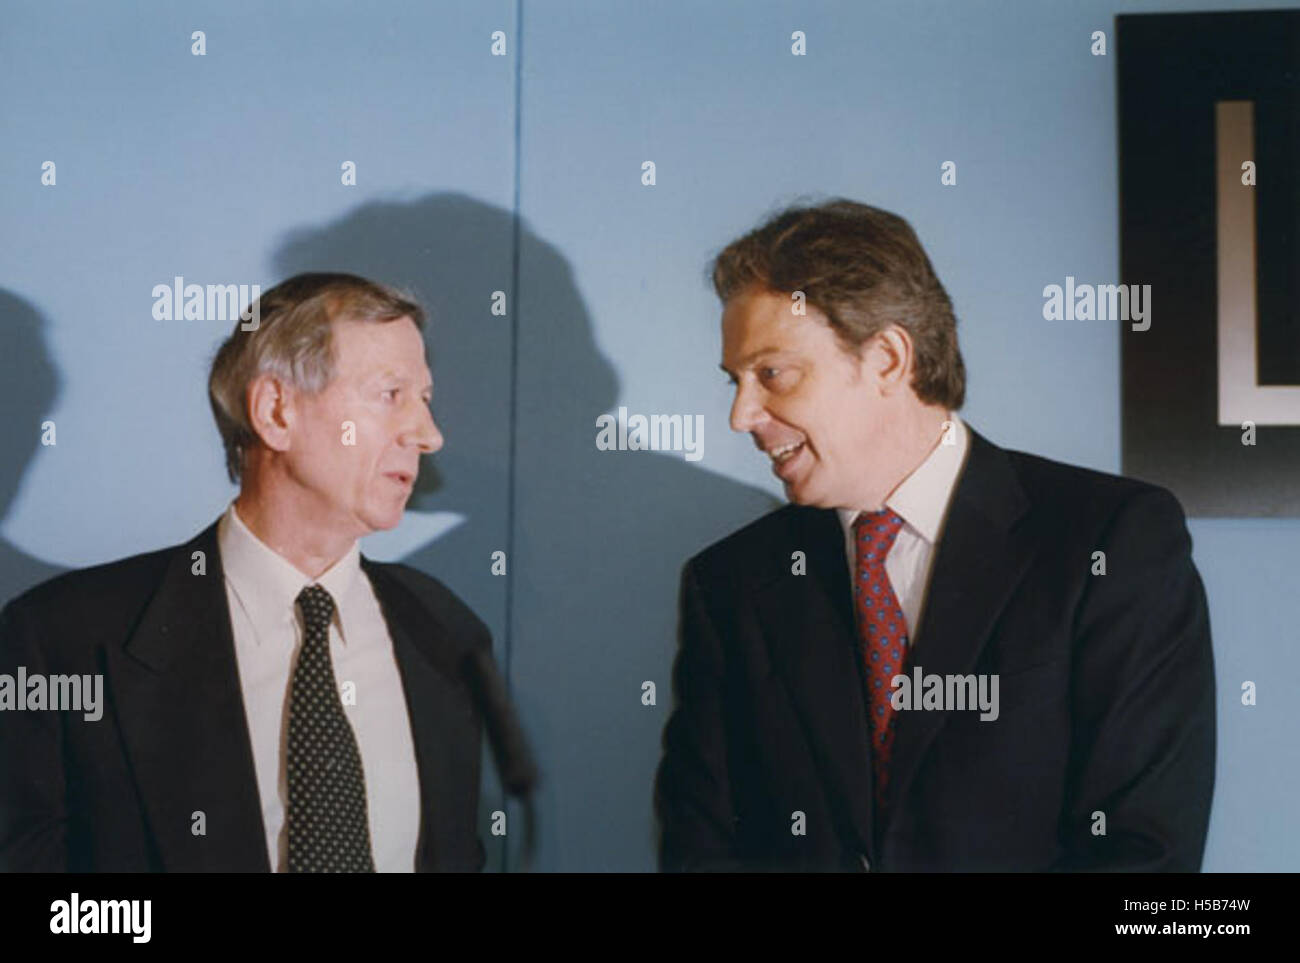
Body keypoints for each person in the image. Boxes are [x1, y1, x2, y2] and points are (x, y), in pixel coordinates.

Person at [654, 200, 1216, 872]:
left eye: (772, 373)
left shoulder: (1112, 542)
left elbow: (1144, 855)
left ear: (888, 358)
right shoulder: (731, 585)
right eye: (735, 382)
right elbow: (702, 850)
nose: (742, 414)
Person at [0, 272, 493, 872]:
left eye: (426, 400)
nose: (428, 434)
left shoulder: (444, 631)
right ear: (276, 411)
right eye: (391, 394)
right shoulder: (61, 642)